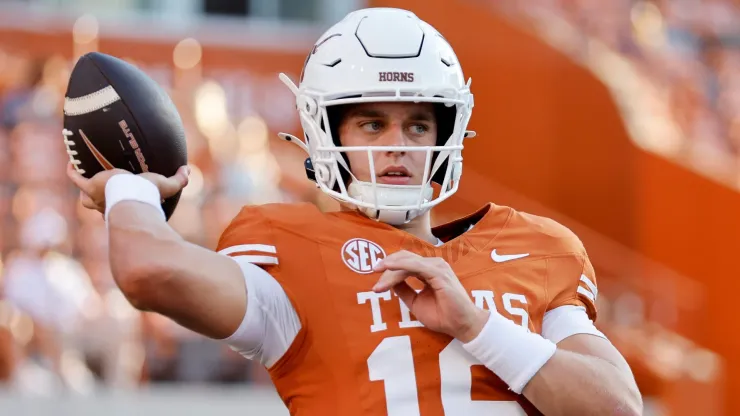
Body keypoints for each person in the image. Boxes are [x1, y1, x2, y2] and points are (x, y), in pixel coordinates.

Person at [67, 7, 642, 416]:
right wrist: (129, 188)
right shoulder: (290, 249)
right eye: (372, 123)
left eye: (418, 124)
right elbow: (148, 271)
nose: (398, 144)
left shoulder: (535, 248)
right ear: (326, 135)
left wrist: (476, 325)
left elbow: (616, 407)